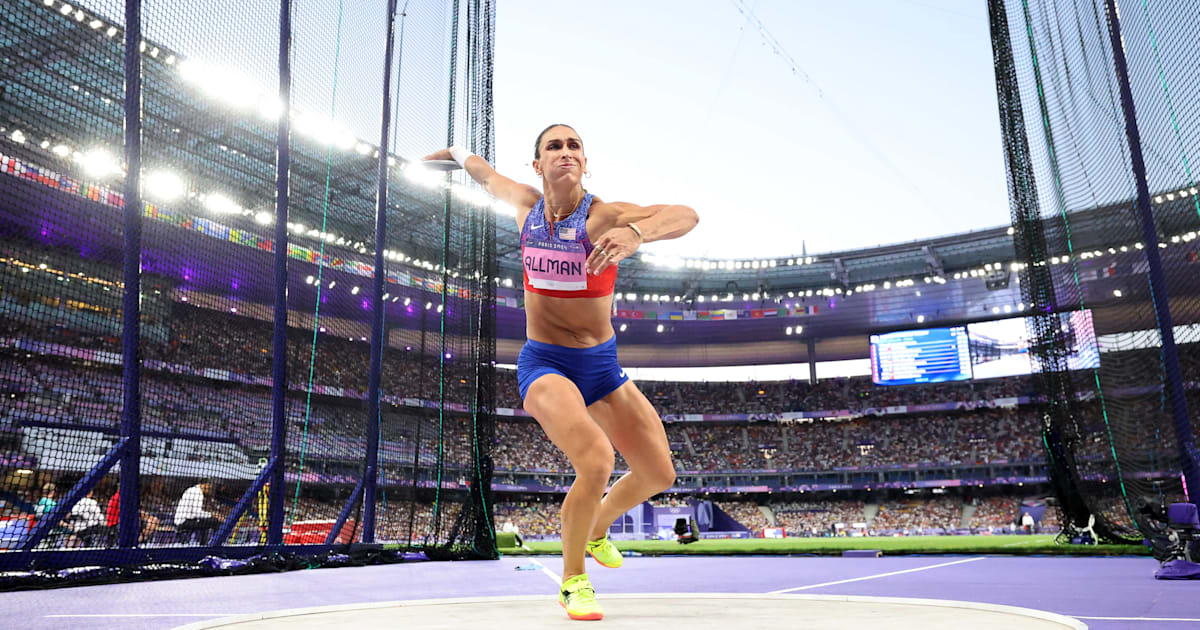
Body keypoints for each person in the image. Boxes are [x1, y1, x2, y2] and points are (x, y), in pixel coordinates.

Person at [426, 124, 699, 621]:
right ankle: (574, 581)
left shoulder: (606, 215)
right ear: (538, 164)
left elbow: (686, 214)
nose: (566, 152)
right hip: (545, 361)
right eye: (555, 146)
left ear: (585, 162)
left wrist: (637, 233)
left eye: (575, 146)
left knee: (660, 472)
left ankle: (597, 529)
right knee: (596, 458)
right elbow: (484, 175)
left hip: (602, 365)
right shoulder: (526, 205)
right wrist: (454, 151)